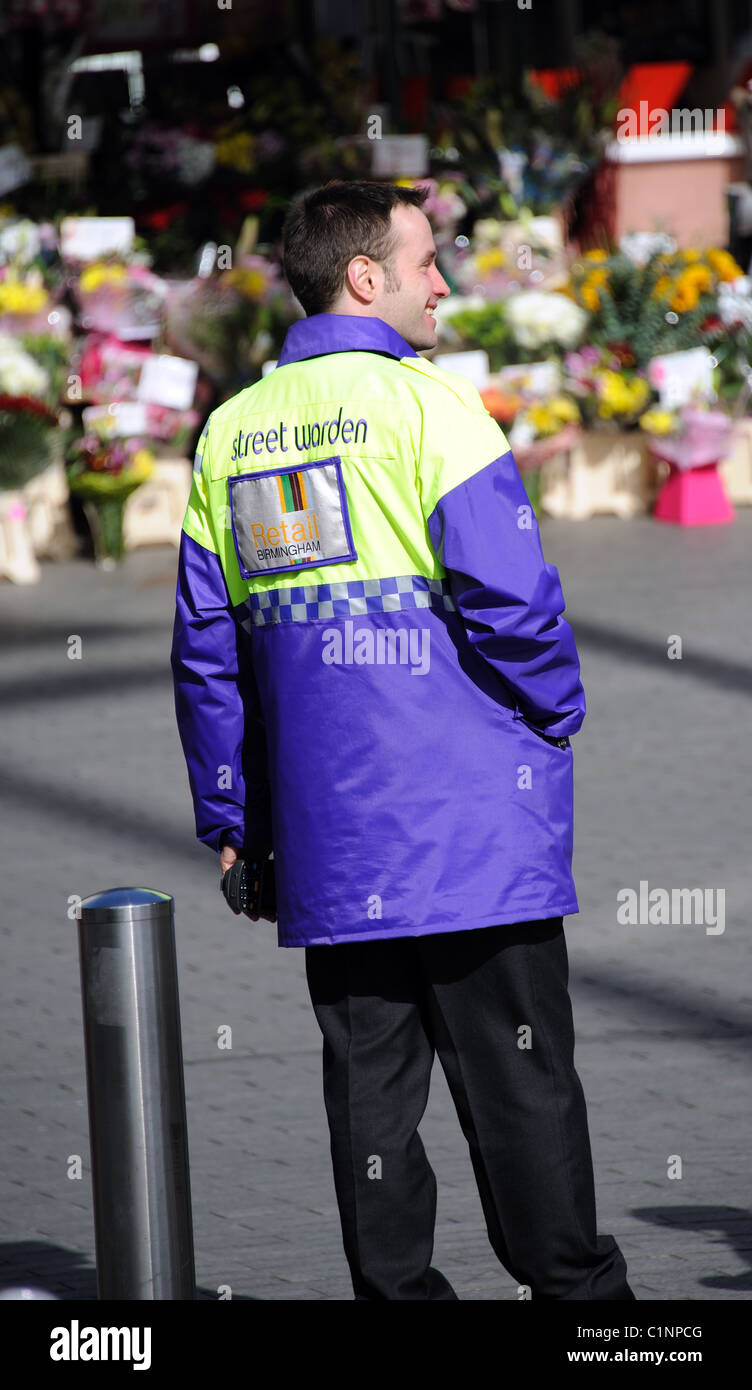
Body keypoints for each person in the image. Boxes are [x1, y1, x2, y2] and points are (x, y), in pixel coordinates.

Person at [171, 179, 635, 1302]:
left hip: (332, 843)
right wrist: (556, 713)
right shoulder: (434, 409)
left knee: (370, 1100)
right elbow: (512, 603)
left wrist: (232, 817)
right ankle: (581, 1307)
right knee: (520, 1087)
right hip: (471, 828)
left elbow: (206, 654)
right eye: (426, 261)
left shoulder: (229, 433)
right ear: (364, 277)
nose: (443, 282)